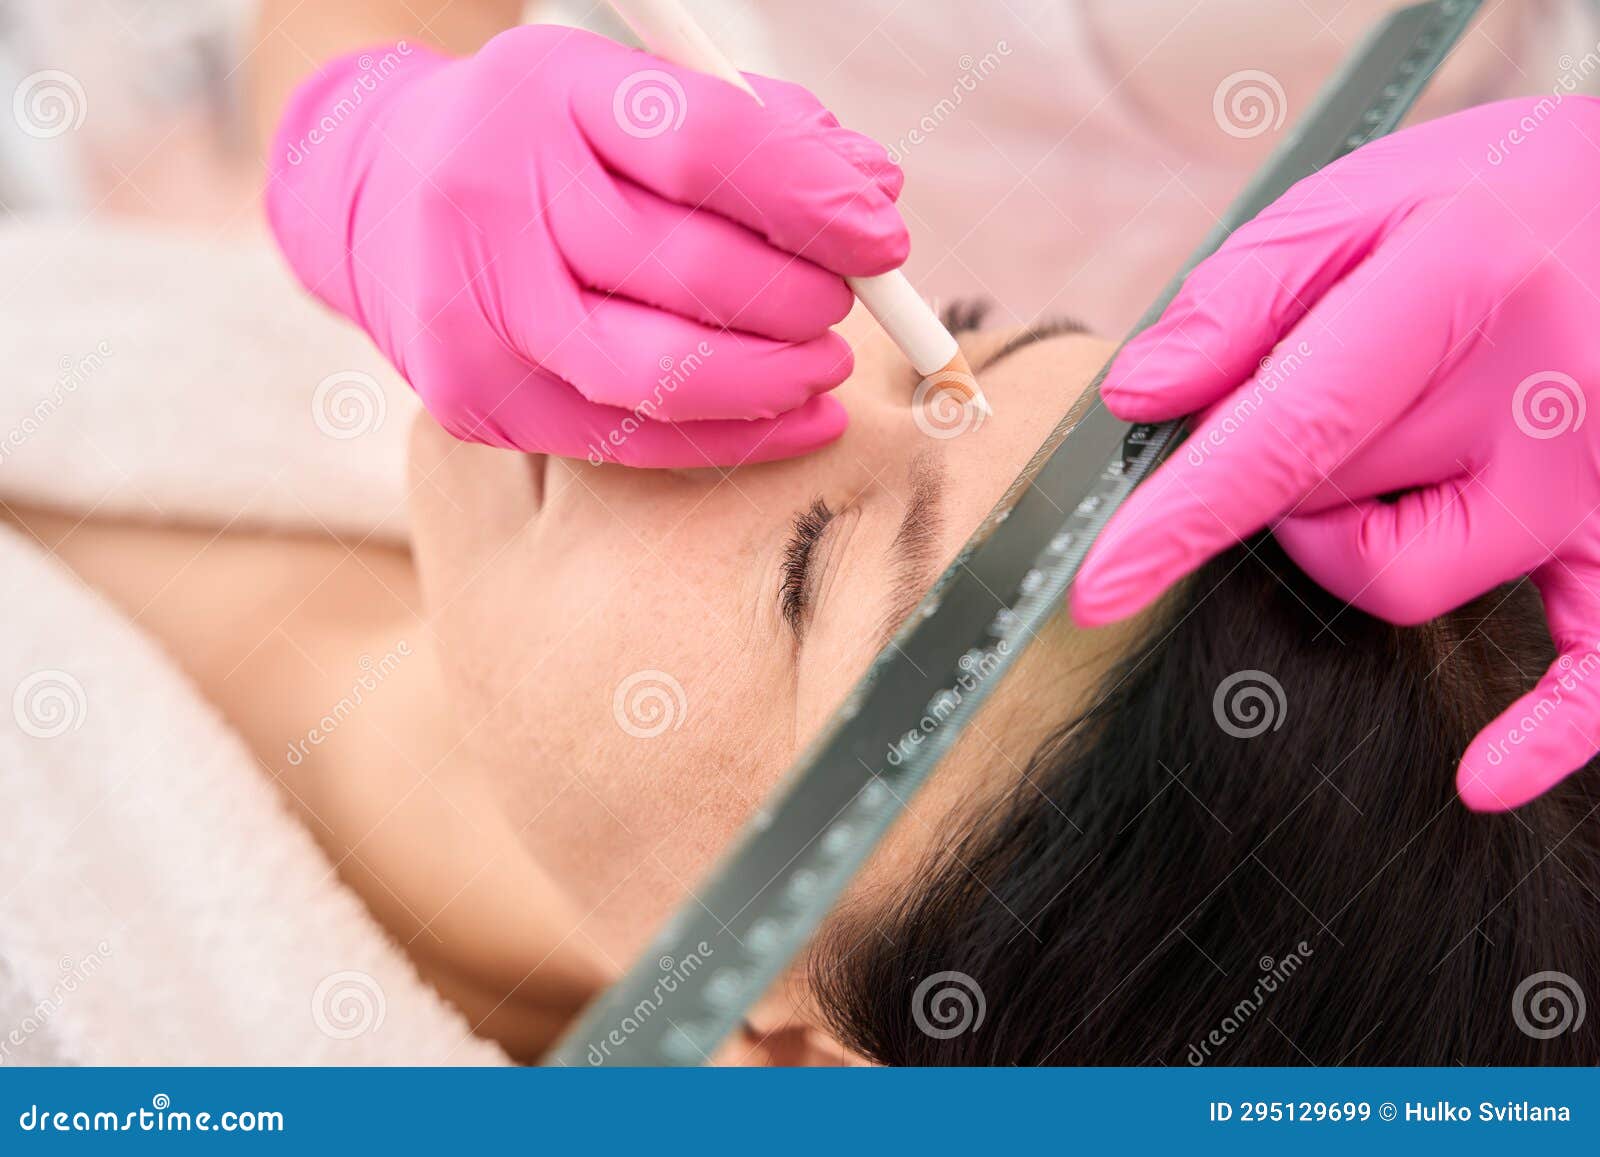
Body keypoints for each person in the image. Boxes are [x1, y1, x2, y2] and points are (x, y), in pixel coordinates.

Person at [6, 298, 1594, 1065]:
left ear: (803, 1055)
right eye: (952, 337)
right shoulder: (490, 465)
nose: (786, 374)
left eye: (810, 566)